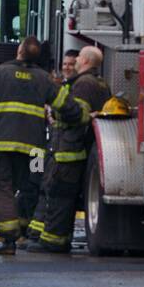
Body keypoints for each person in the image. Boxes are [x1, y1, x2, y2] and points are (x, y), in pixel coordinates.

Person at [0, 35, 57, 256]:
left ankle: (9, 239)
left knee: (0, 185)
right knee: (28, 185)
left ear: (19, 51)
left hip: (0, 145)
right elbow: (66, 105)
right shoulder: (45, 79)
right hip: (35, 150)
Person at [32, 45, 110, 254]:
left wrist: (55, 114)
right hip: (60, 149)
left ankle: (51, 240)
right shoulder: (93, 82)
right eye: (65, 64)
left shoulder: (84, 84)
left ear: (84, 61)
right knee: (48, 187)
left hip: (66, 150)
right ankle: (41, 234)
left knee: (56, 192)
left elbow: (76, 114)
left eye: (74, 61)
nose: (71, 65)